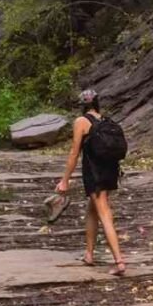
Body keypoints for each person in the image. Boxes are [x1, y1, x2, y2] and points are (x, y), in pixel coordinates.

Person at [55, 89, 126, 276]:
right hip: (110, 171)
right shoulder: (105, 120)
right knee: (92, 210)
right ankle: (89, 254)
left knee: (104, 213)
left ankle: (119, 262)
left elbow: (74, 153)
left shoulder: (81, 121)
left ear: (82, 105)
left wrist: (64, 181)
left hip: (95, 173)